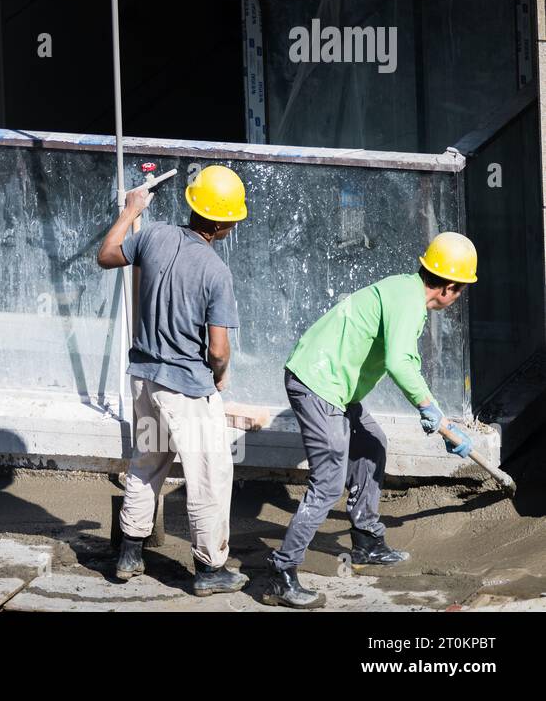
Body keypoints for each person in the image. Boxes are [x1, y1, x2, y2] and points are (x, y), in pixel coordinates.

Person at [262, 232, 478, 609]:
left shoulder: (405, 291)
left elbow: (400, 359)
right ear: (449, 287)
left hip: (334, 386)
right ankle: (282, 572)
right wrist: (434, 412)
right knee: (328, 484)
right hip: (318, 384)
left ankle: (366, 542)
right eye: (460, 291)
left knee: (372, 443)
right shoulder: (409, 301)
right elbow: (400, 363)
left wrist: (432, 412)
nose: (457, 298)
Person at [97, 165, 249, 595]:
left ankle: (129, 552)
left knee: (147, 464)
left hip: (143, 379)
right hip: (185, 388)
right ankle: (209, 569)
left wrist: (130, 211)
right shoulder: (216, 272)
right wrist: (219, 377)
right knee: (209, 476)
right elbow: (218, 350)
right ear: (220, 223)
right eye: (234, 217)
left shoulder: (153, 236)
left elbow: (106, 255)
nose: (235, 223)